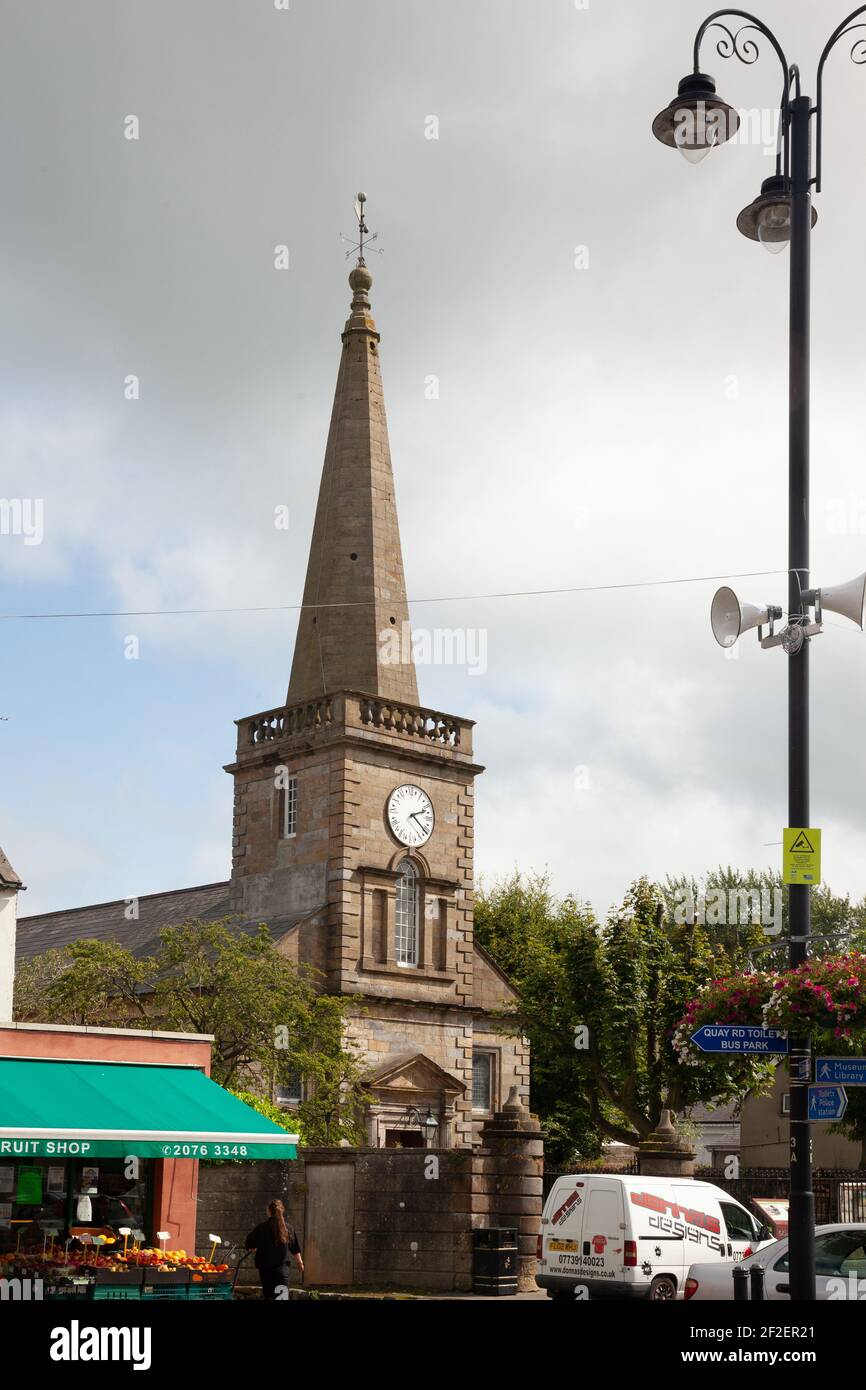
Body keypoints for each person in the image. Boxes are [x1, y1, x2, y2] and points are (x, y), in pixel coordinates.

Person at [245, 1198, 303, 1300]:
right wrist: (300, 1263)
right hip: (282, 1272)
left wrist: (253, 1248)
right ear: (282, 1210)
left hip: (266, 1271)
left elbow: (249, 1243)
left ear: (269, 1211)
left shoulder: (261, 1228)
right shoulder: (288, 1228)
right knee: (282, 1298)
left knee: (269, 1297)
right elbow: (295, 1249)